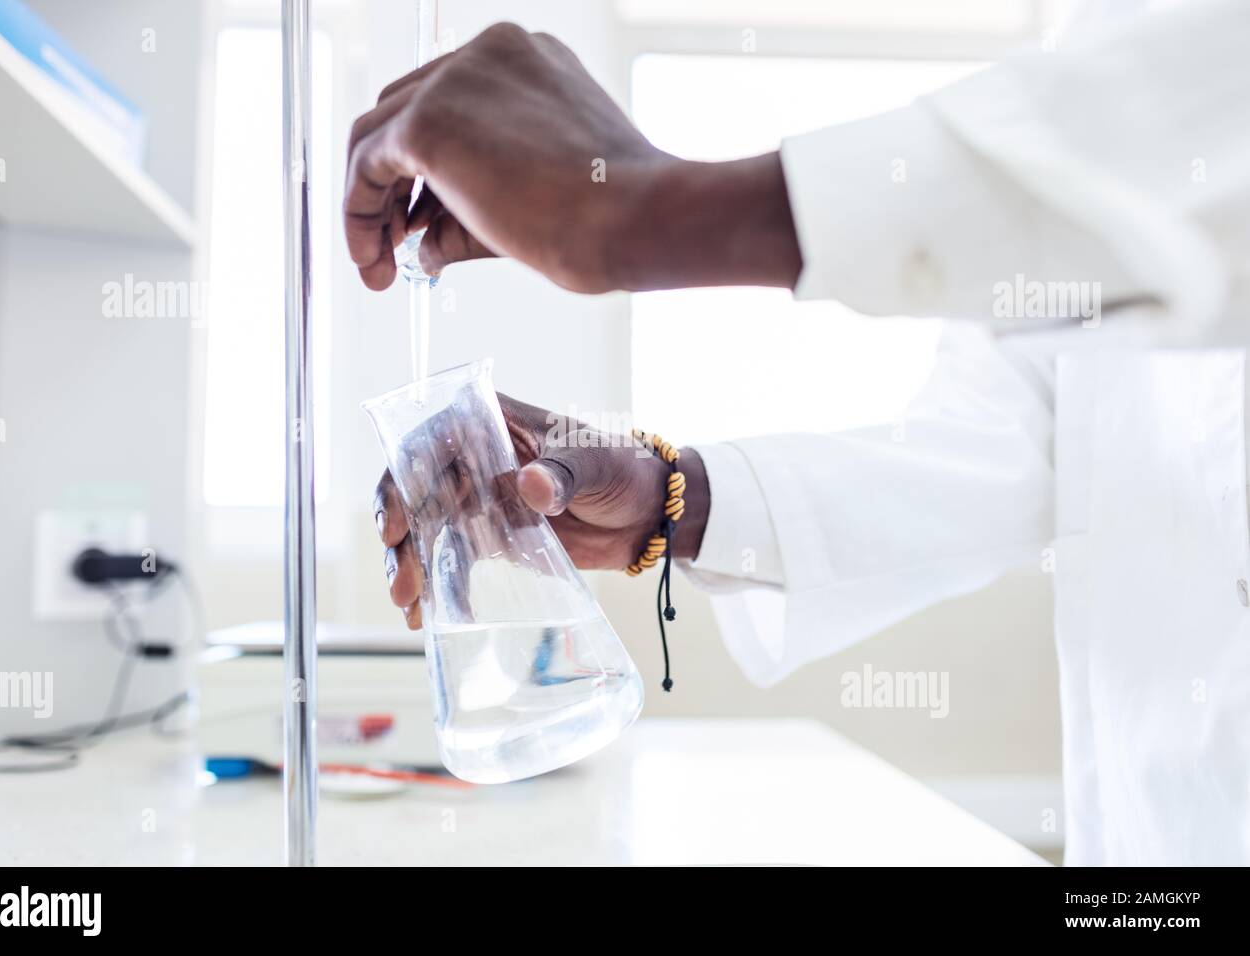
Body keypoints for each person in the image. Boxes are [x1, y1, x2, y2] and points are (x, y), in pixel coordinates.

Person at [346, 1, 1250, 865]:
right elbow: (1009, 449)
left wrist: (649, 208)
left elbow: (1193, 173)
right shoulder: (1106, 23)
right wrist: (673, 500)